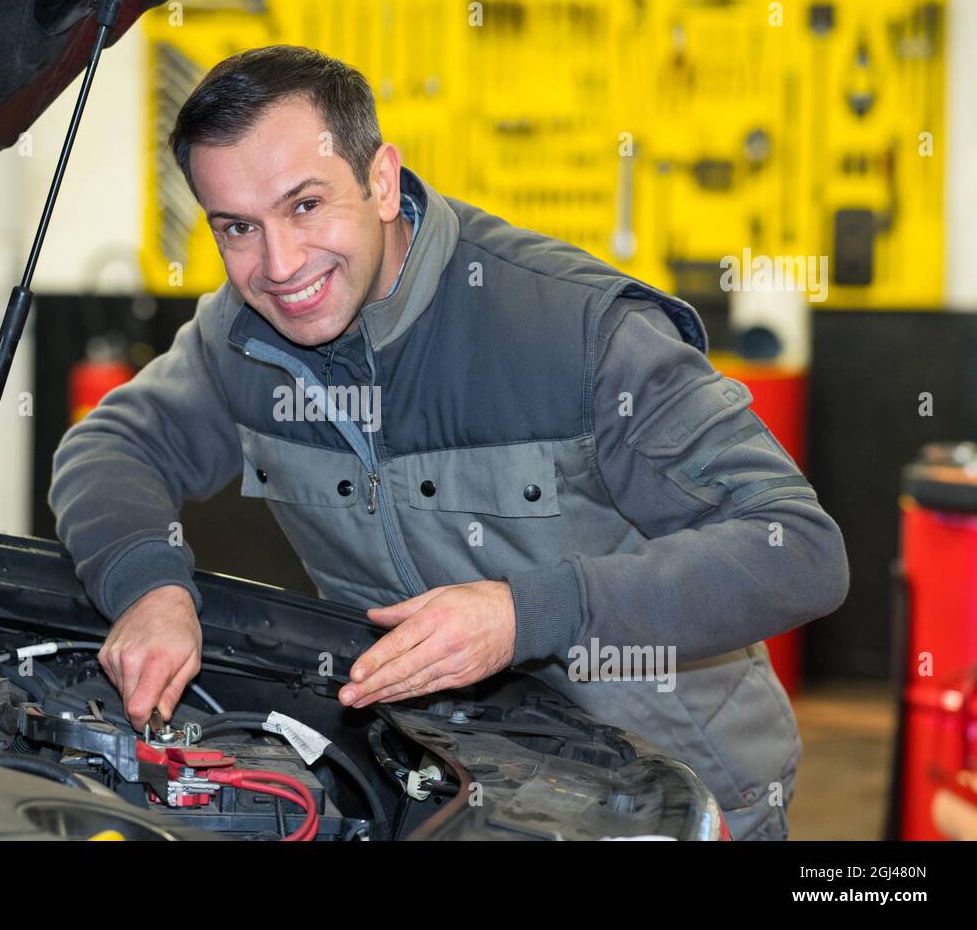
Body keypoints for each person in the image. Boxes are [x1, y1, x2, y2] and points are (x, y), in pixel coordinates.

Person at [49, 45, 849, 840]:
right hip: (451, 792)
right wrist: (150, 586)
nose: (280, 265)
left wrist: (525, 614)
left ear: (383, 181)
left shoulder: (573, 331)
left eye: (304, 206)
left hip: (675, 799)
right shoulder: (244, 338)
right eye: (237, 228)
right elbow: (111, 445)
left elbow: (800, 551)